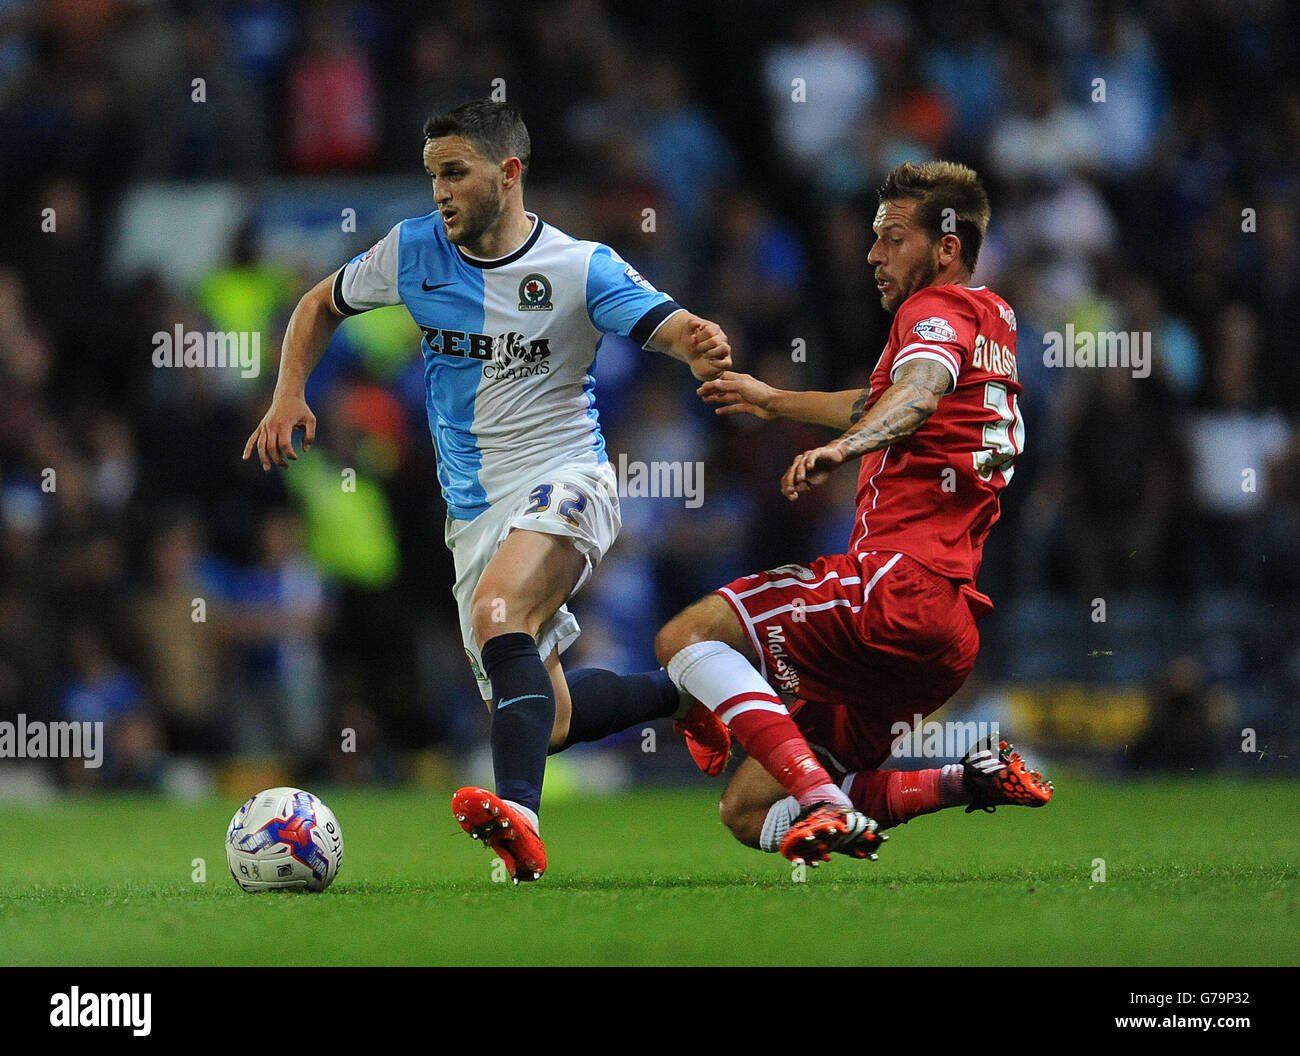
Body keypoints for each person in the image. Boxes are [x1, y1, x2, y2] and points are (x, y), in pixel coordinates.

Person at [244, 100, 732, 882]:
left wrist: (697, 342)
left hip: (568, 478)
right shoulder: (413, 252)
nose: (439, 191)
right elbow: (317, 305)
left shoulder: (579, 268)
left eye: (455, 173)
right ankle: (688, 697)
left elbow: (666, 325)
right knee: (555, 717)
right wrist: (288, 394)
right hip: (474, 513)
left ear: (508, 175)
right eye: (433, 174)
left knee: (500, 611)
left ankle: (521, 821)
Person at [656, 160, 1052, 867]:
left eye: (893, 238)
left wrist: (844, 451)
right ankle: (967, 779)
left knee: (688, 637)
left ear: (947, 248)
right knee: (747, 811)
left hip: (892, 588)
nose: (873, 254)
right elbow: (891, 399)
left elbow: (918, 395)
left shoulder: (928, 312)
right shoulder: (994, 317)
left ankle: (821, 799)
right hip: (946, 634)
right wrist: (775, 401)